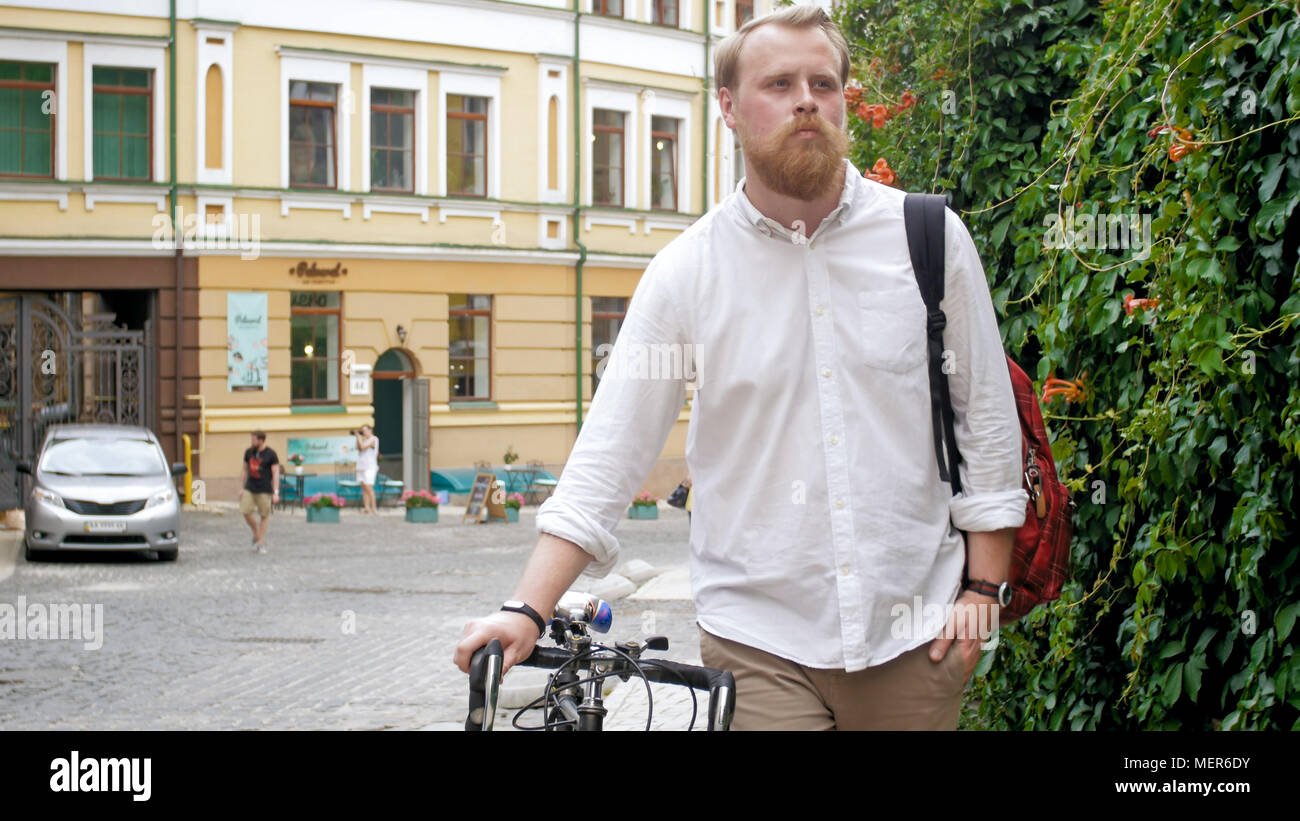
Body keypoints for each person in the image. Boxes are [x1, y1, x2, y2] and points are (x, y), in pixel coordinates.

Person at [454, 6, 1027, 730]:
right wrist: (525, 607)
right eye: (779, 83)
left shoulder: (929, 238)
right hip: (759, 645)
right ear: (727, 106)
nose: (806, 100)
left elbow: (987, 422)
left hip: (913, 635)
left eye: (823, 82)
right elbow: (609, 454)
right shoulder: (687, 271)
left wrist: (983, 591)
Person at [240, 430, 280, 553]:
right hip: (250, 487)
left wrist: (275, 492)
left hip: (264, 489)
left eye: (254, 439)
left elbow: (275, 473)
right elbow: (245, 470)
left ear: (261, 440)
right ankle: (256, 533)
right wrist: (241, 487)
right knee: (245, 511)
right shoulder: (248, 452)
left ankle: (261, 543)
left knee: (264, 515)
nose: (252, 442)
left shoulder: (271, 454)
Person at [354, 425, 380, 514]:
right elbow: (358, 448)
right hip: (361, 466)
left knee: (369, 487)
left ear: (370, 430)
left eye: (365, 430)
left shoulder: (374, 439)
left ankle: (374, 508)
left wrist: (358, 436)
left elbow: (362, 447)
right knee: (364, 487)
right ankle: (366, 508)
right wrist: (358, 438)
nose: (363, 432)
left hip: (370, 466)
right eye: (362, 431)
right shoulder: (362, 439)